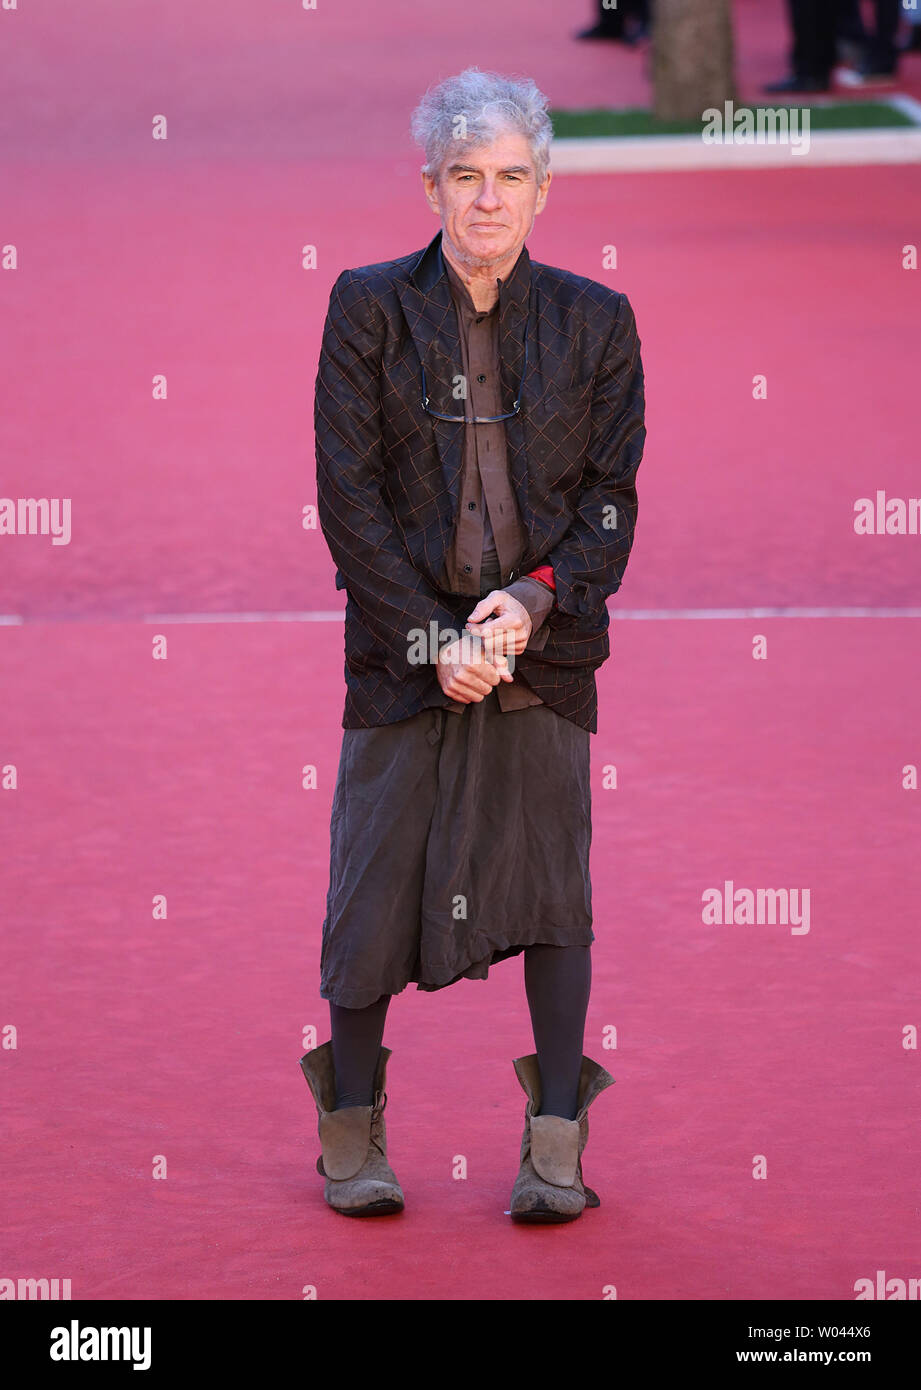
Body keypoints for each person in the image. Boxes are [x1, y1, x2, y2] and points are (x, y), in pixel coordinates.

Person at [300, 67, 646, 1225]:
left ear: (542, 190)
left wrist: (536, 600)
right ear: (431, 185)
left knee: (554, 893)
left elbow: (609, 500)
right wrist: (430, 636)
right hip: (401, 648)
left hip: (539, 651)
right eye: (466, 177)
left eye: (510, 177)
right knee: (369, 891)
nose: (487, 200)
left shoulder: (599, 322)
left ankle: (556, 1139)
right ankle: (351, 1130)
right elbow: (347, 500)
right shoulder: (367, 306)